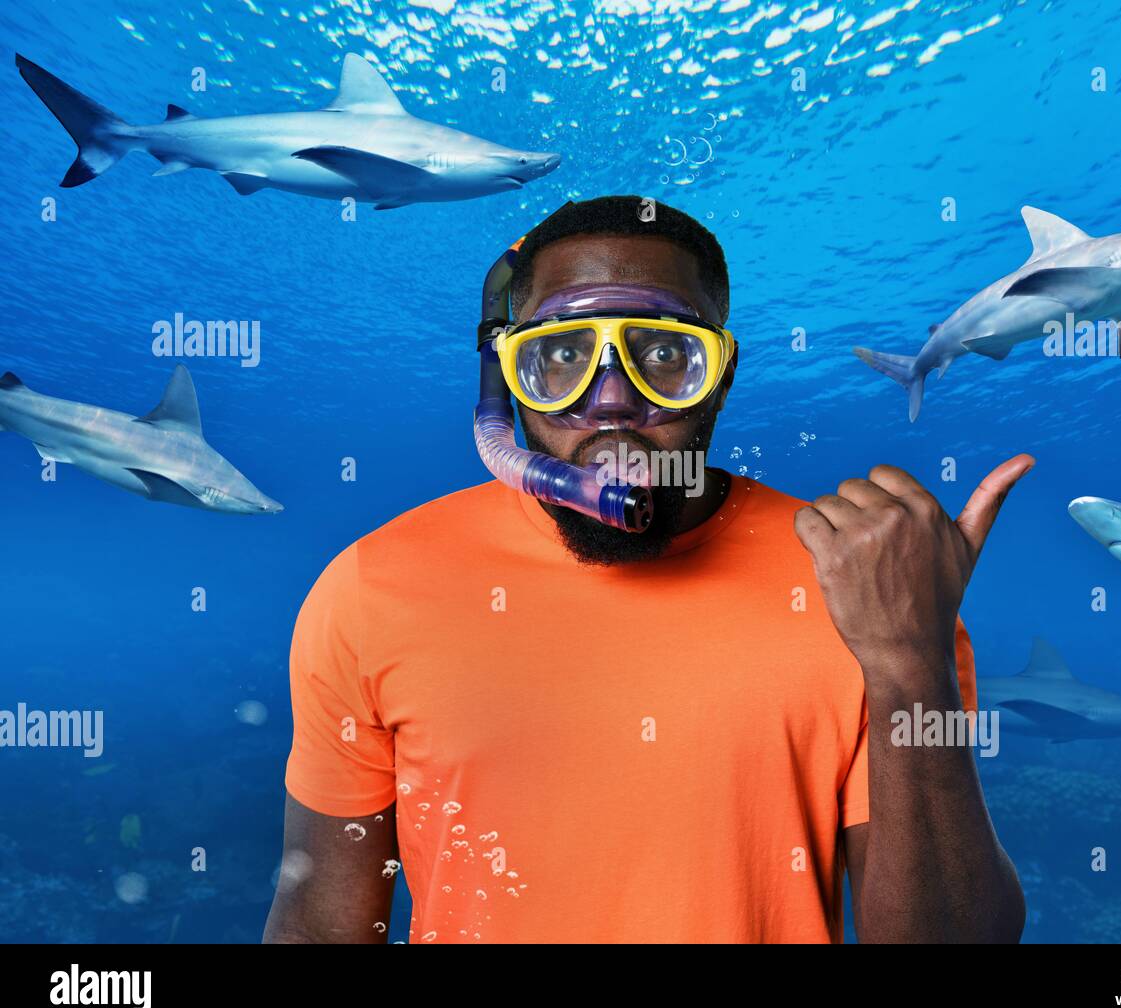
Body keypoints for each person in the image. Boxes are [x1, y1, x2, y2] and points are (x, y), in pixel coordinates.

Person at [263, 196, 1029, 944]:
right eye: (559, 358)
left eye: (664, 355)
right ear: (505, 386)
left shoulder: (870, 588)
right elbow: (320, 927)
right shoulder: (373, 588)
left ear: (721, 376)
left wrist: (909, 660)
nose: (612, 401)